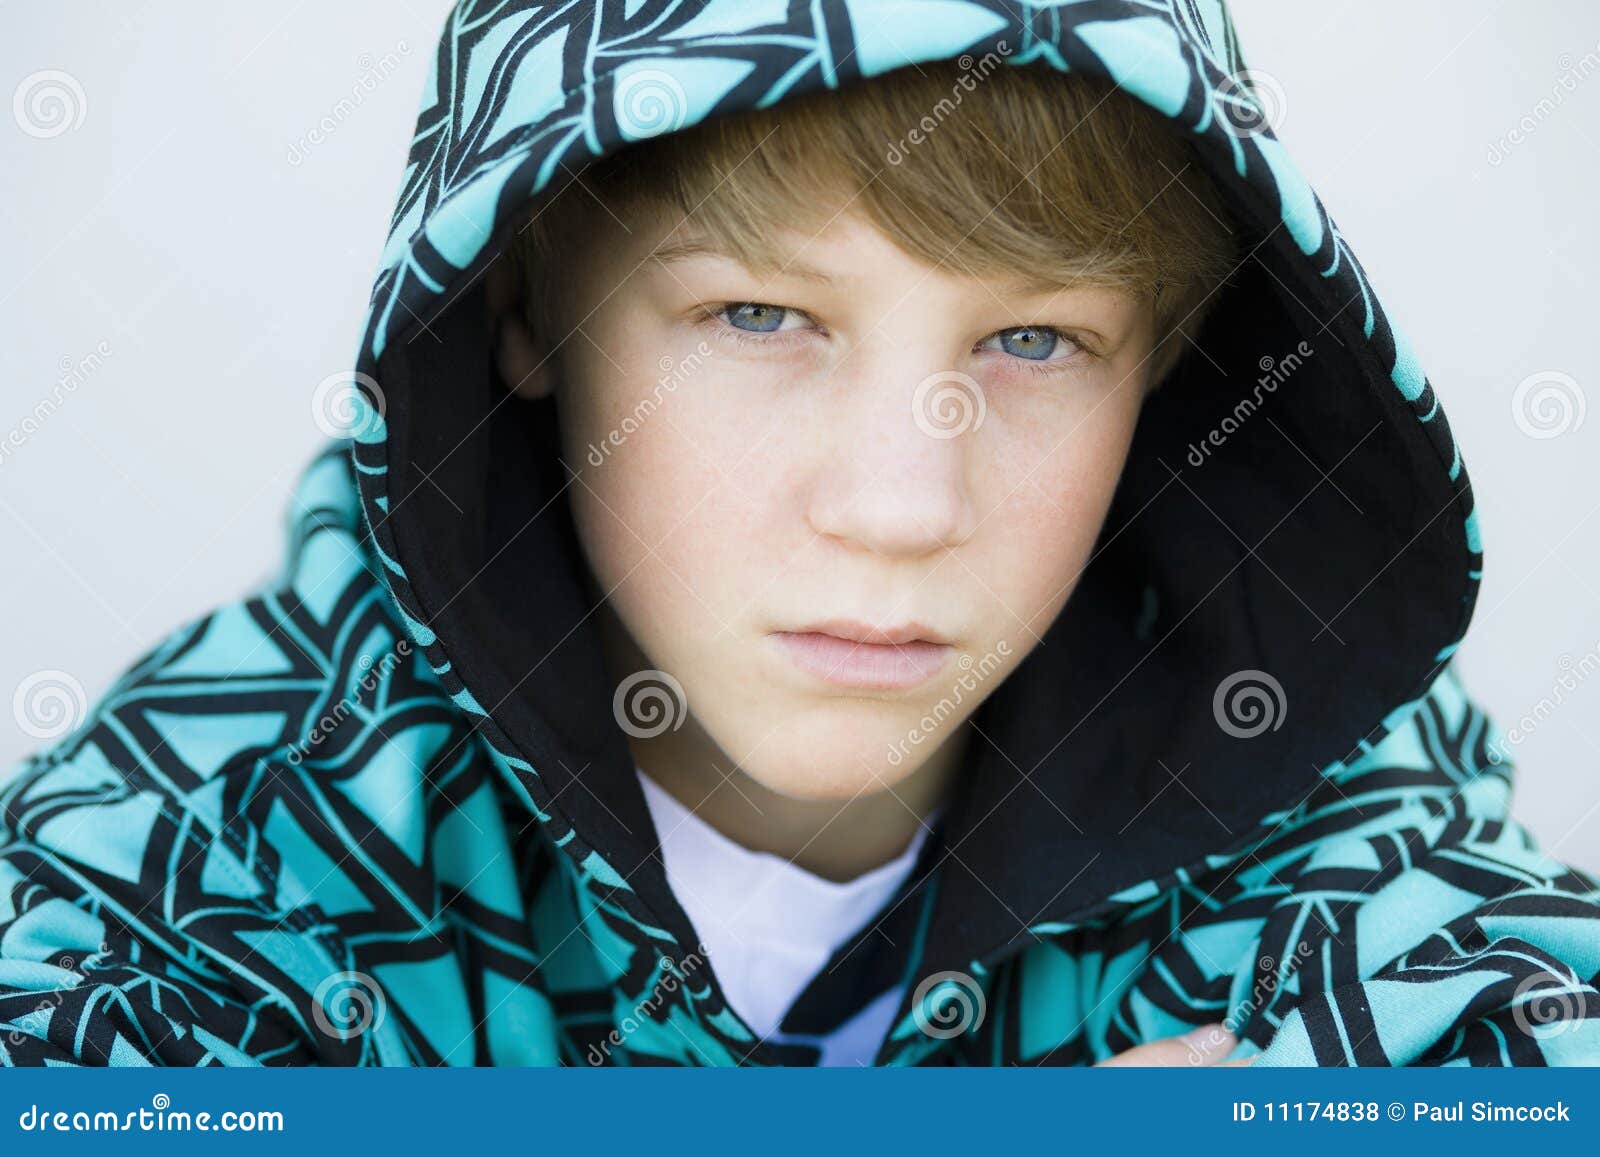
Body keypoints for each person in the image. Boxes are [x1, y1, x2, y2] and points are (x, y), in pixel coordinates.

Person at [2, 0, 1596, 1067]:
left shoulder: (1319, 777)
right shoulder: (194, 859)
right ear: (525, 305)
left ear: (1169, 360)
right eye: (758, 314)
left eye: (1035, 342)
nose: (900, 506)